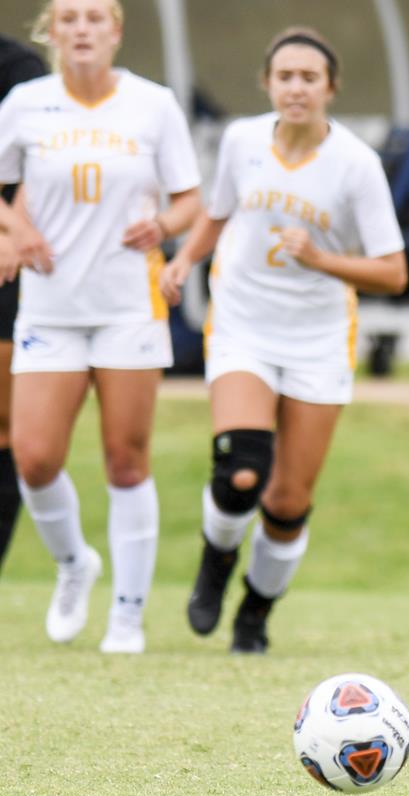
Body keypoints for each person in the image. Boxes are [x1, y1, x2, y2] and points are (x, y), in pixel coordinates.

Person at [160, 28, 406, 654]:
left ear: (330, 88)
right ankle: (215, 561)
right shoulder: (243, 140)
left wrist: (321, 259)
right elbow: (218, 212)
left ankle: (254, 615)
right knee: (242, 471)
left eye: (309, 78)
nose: (296, 88)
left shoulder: (356, 164)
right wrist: (184, 259)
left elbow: (393, 272)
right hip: (242, 325)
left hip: (319, 339)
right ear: (268, 84)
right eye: (285, 76)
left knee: (287, 499)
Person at [0, 0, 201, 653]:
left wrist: (165, 227)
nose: (81, 29)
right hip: (51, 308)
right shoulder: (25, 103)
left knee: (125, 459)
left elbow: (190, 199)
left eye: (95, 17)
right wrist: (15, 228)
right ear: (52, 32)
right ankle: (73, 565)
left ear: (115, 31)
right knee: (33, 459)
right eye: (69, 18)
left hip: (127, 307)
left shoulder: (154, 104)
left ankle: (127, 617)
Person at [0, 31, 45, 578]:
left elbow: (35, 167)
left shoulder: (18, 67)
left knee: (5, 426)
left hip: (6, 256)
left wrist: (10, 230)